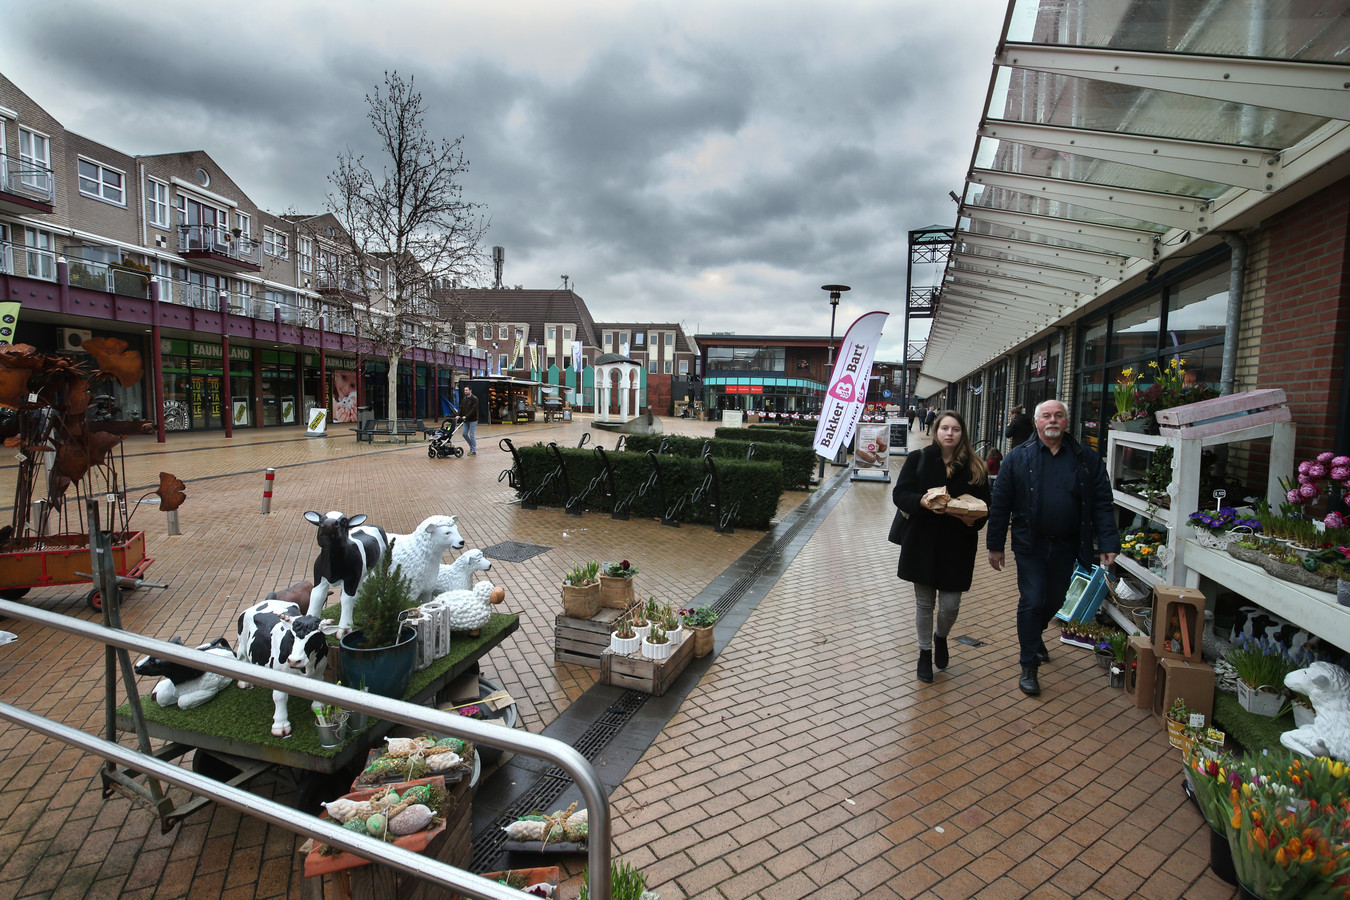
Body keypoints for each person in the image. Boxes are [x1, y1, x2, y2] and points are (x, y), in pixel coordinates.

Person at [985, 400, 1120, 697]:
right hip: (1030, 544)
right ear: (1036, 422)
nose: (1052, 420)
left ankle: (1034, 635)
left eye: (1058, 415)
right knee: (1032, 600)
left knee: (1056, 599)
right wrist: (995, 545)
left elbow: (1102, 503)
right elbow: (1000, 505)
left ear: (1067, 421)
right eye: (1046, 415)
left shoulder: (1086, 459)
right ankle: (1028, 665)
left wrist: (1109, 542)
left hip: (1068, 546)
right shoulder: (1017, 458)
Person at [891, 410, 991, 683]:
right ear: (936, 431)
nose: (950, 433)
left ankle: (941, 636)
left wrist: (972, 520)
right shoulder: (919, 458)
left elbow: (985, 507)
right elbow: (900, 494)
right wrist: (922, 502)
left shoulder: (975, 466)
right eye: (945, 428)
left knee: (951, 604)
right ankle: (924, 652)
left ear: (962, 433)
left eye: (955, 429)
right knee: (924, 603)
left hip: (957, 545)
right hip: (921, 541)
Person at [458, 385, 479, 455]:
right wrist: (458, 415)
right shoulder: (464, 399)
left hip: (473, 420)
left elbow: (473, 410)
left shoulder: (474, 399)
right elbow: (460, 407)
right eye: (464, 390)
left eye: (466, 390)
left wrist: (466, 416)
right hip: (466, 420)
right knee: (464, 433)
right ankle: (472, 445)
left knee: (471, 434)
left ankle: (473, 450)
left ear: (470, 390)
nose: (465, 392)